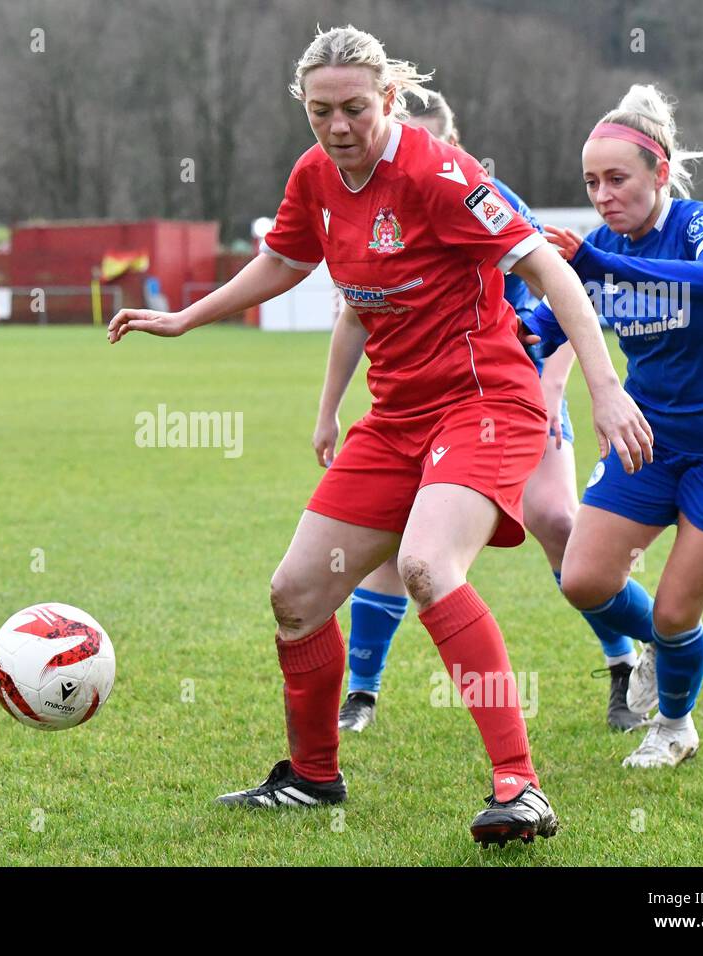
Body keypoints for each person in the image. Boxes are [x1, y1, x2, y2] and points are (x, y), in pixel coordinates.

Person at [108, 25, 652, 844]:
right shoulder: (315, 177)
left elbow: (548, 267)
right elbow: (286, 261)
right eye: (320, 110)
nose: (337, 127)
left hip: (484, 403)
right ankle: (313, 778)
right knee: (295, 594)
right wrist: (189, 317)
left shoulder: (439, 173)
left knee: (427, 565)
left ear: (389, 100)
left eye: (355, 108)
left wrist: (603, 386)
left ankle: (522, 787)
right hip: (396, 417)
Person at [331, 92, 647, 735]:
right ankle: (361, 693)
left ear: (448, 143)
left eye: (414, 139)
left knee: (558, 519)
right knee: (398, 542)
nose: (395, 153)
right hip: (423, 404)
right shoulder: (370, 203)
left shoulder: (480, 196)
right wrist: (328, 407)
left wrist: (554, 387)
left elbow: (564, 288)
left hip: (510, 397)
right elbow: (353, 310)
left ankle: (629, 659)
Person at [524, 85, 703, 769]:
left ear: (661, 173)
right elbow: (543, 328)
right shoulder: (597, 249)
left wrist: (600, 264)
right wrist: (494, 330)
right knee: (582, 580)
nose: (602, 194)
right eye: (591, 181)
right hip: (651, 437)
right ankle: (664, 652)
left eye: (617, 178)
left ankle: (674, 726)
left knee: (678, 612)